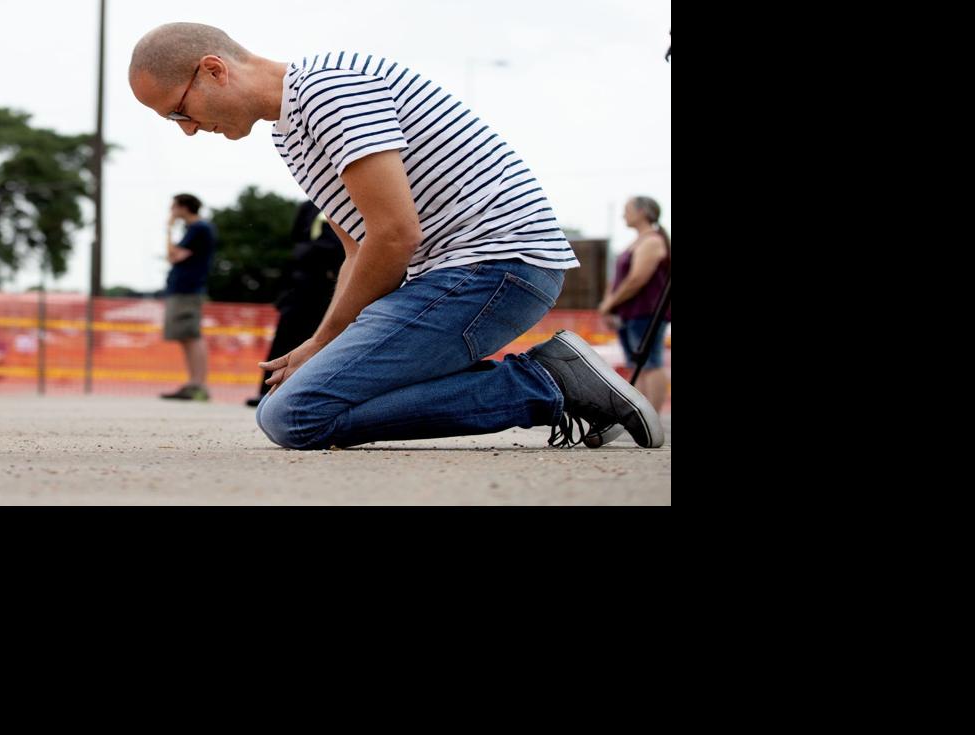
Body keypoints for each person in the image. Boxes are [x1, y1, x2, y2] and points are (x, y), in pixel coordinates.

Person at [128, 23, 664, 449]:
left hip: (494, 266)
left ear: (214, 70)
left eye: (179, 111)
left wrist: (322, 343)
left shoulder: (328, 89)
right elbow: (356, 249)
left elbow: (394, 235)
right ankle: (560, 380)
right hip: (460, 275)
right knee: (294, 405)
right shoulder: (290, 133)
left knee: (297, 415)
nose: (188, 129)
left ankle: (547, 386)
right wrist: (327, 345)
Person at [247, 200, 344, 407]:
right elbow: (297, 239)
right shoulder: (309, 207)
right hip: (301, 282)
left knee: (324, 338)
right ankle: (267, 390)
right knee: (285, 336)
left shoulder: (352, 201)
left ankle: (311, 394)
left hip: (333, 281)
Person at [597, 196, 670, 413]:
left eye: (627, 210)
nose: (623, 215)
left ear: (642, 212)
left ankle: (653, 414)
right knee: (636, 364)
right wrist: (610, 306)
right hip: (631, 314)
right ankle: (641, 413)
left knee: (650, 363)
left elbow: (637, 279)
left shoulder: (652, 241)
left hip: (646, 312)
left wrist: (610, 302)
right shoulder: (638, 241)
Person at [159, 194, 217, 401]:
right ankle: (193, 382)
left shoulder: (198, 228)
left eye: (173, 206)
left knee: (192, 335)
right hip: (184, 288)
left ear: (183, 207)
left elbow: (173, 255)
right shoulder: (196, 229)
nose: (171, 210)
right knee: (185, 335)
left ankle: (198, 384)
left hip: (188, 288)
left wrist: (168, 229)